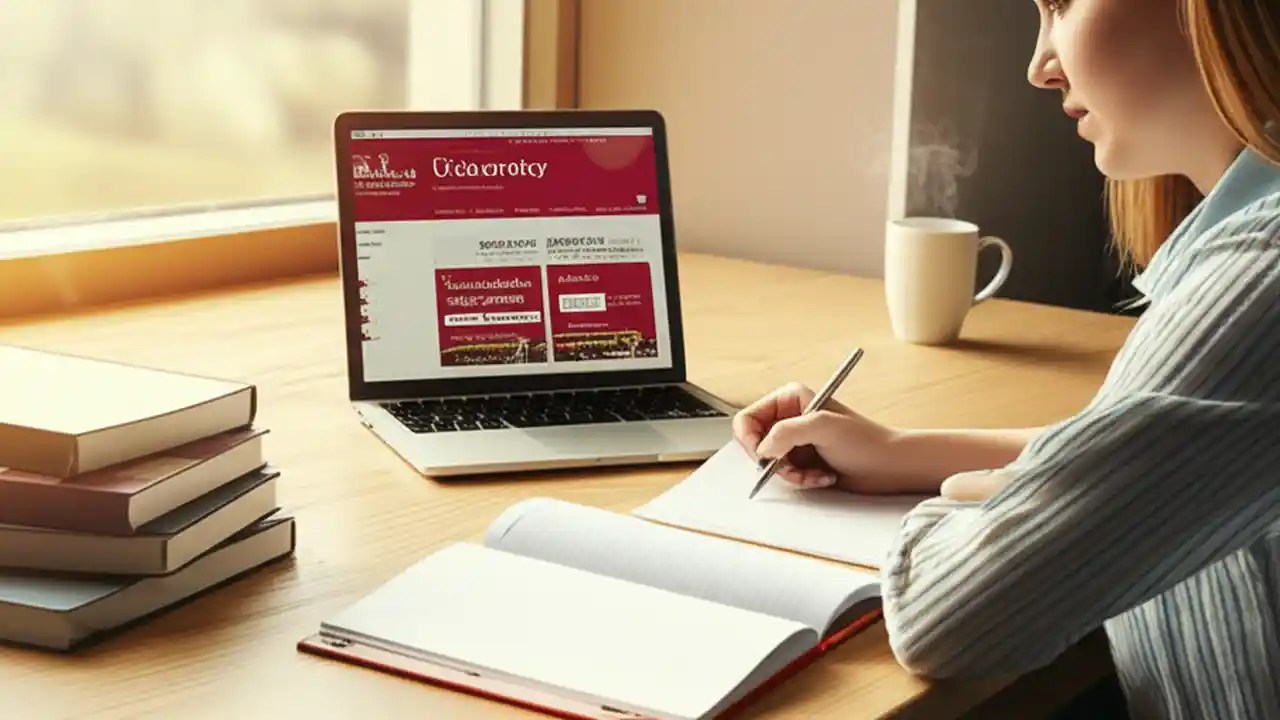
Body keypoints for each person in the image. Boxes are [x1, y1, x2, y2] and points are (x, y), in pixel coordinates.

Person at [733, 1, 1280, 718]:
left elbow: (946, 615)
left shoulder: (1263, 273)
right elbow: (1164, 451)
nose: (1039, 67)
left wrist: (984, 494)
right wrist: (900, 452)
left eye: (1060, 5)